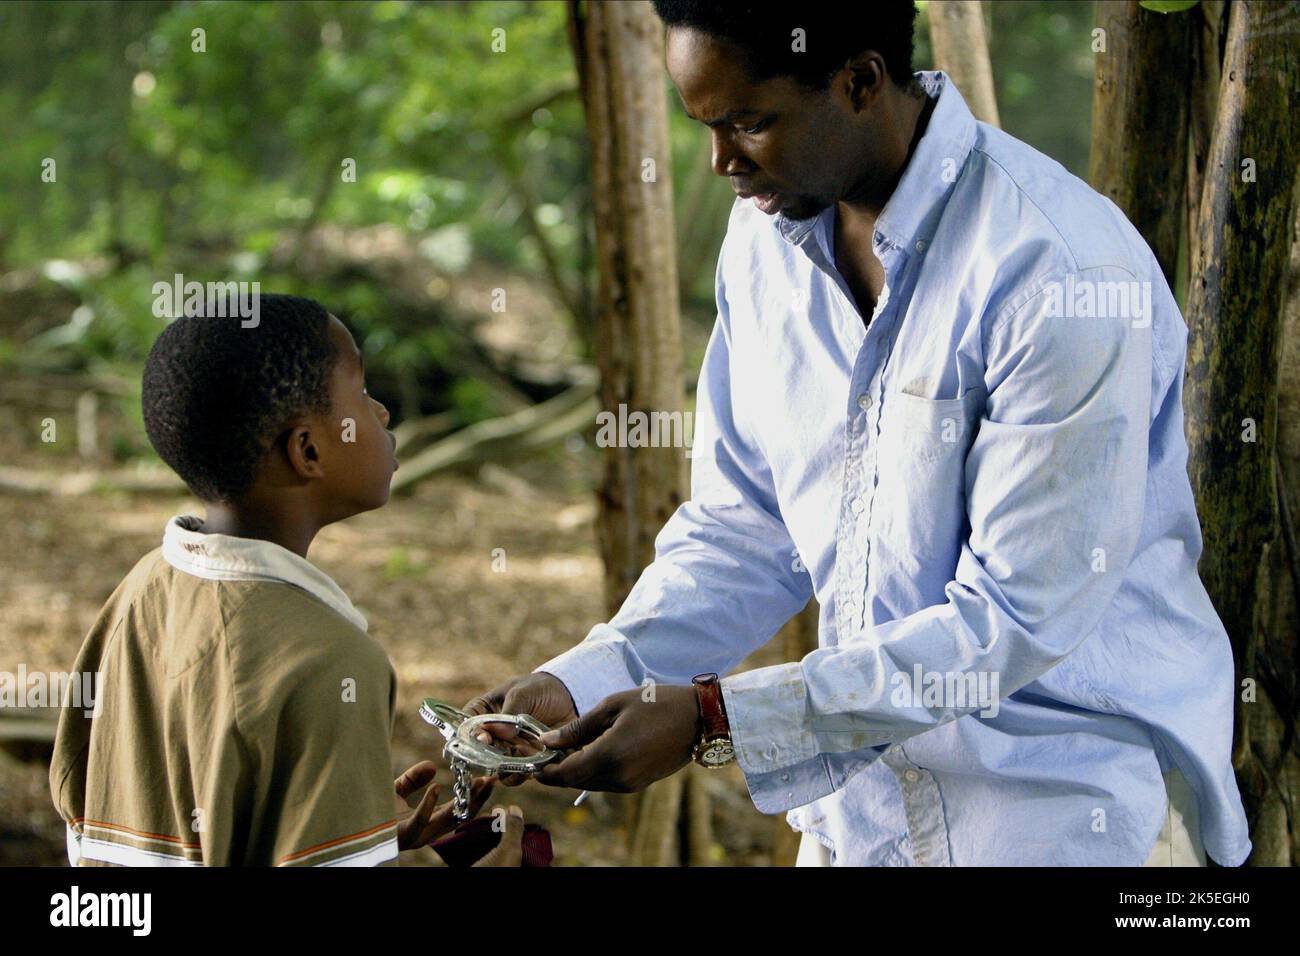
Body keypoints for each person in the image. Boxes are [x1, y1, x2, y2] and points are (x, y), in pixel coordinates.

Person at [465, 1, 1252, 867]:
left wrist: (717, 724)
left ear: (860, 81)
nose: (722, 161)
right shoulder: (762, 244)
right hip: (862, 822)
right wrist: (584, 679)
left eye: (749, 122)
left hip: (1068, 814)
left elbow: (1015, 618)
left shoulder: (1056, 270)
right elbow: (743, 532)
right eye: (706, 127)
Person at [50, 293, 524, 866]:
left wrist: (357, 837)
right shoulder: (328, 661)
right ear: (306, 450)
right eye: (361, 393)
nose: (381, 414)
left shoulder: (141, 592)